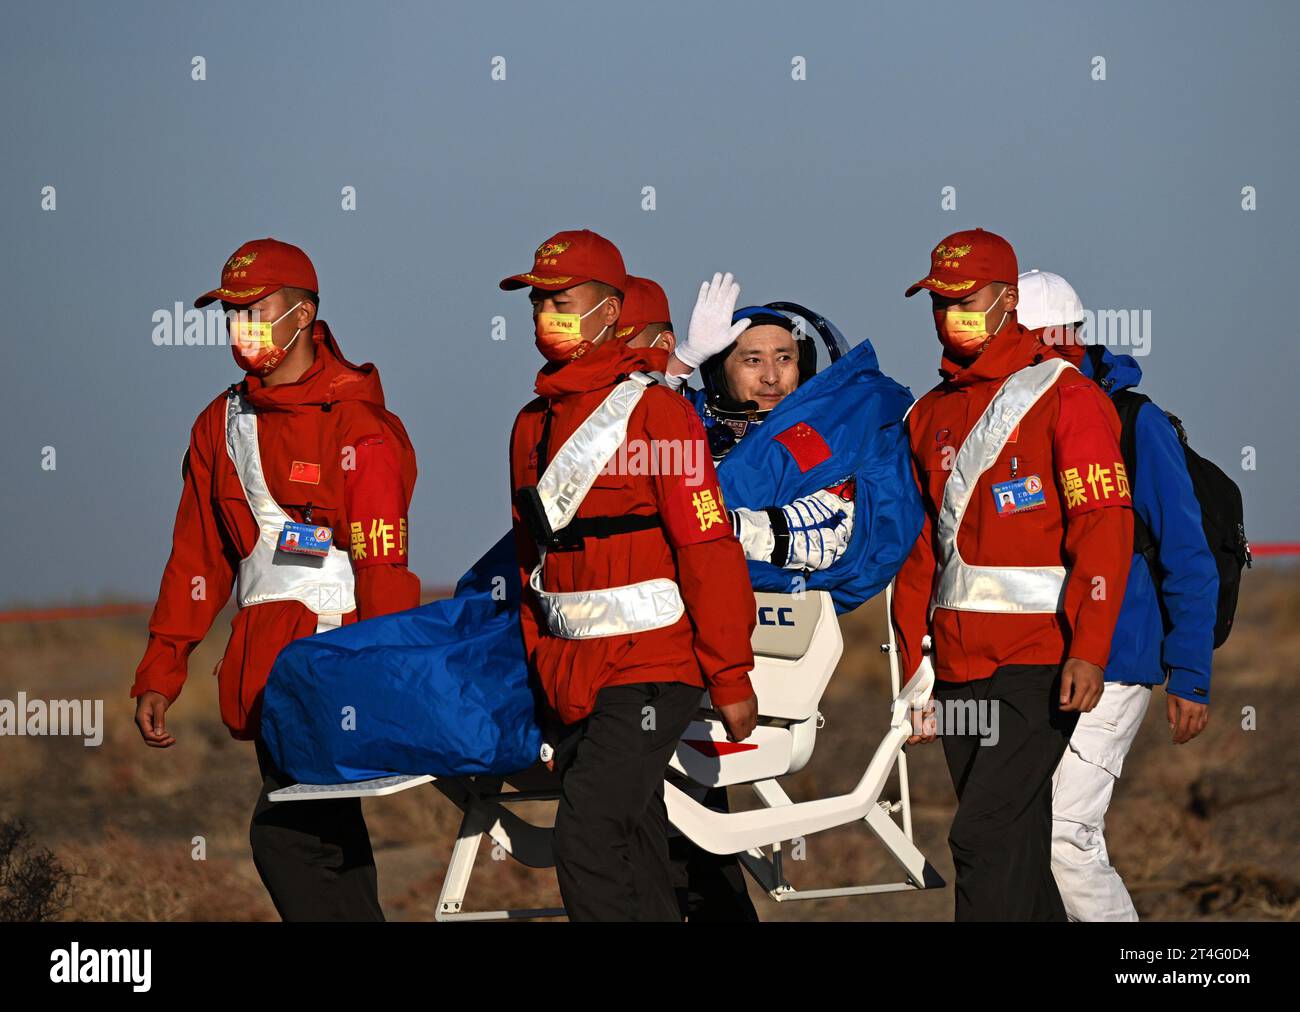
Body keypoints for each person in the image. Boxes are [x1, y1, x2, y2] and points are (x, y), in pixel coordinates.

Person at [131, 238, 420, 921]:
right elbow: (196, 559)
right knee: (330, 840)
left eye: (255, 310)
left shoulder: (361, 426)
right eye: (230, 314)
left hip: (334, 663)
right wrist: (160, 668)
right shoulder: (219, 424)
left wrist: (382, 677)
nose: (241, 328)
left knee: (286, 837)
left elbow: (384, 563)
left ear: (304, 314)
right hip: (261, 668)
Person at [502, 229, 759, 921]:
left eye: (561, 298)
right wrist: (537, 664)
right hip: (570, 667)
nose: (544, 313)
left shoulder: (658, 413)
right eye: (537, 301)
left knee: (587, 836)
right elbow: (534, 563)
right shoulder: (530, 426)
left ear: (611, 311)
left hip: (653, 664)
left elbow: (708, 549)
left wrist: (730, 675)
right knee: (637, 844)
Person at [890, 228, 1134, 921]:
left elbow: (1104, 529)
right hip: (960, 668)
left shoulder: (1067, 397)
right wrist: (917, 674)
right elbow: (919, 559)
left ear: (1008, 301)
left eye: (965, 299)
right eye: (938, 301)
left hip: (1040, 664)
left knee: (982, 837)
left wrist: (1088, 649)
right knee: (1017, 852)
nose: (949, 314)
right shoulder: (929, 414)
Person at [1018, 268, 1218, 921]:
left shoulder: (1136, 421)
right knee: (1016, 840)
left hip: (1119, 661)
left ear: (1074, 336)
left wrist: (1190, 674)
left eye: (1050, 336)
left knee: (1064, 838)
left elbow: (1187, 551)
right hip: (1026, 662)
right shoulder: (997, 416)